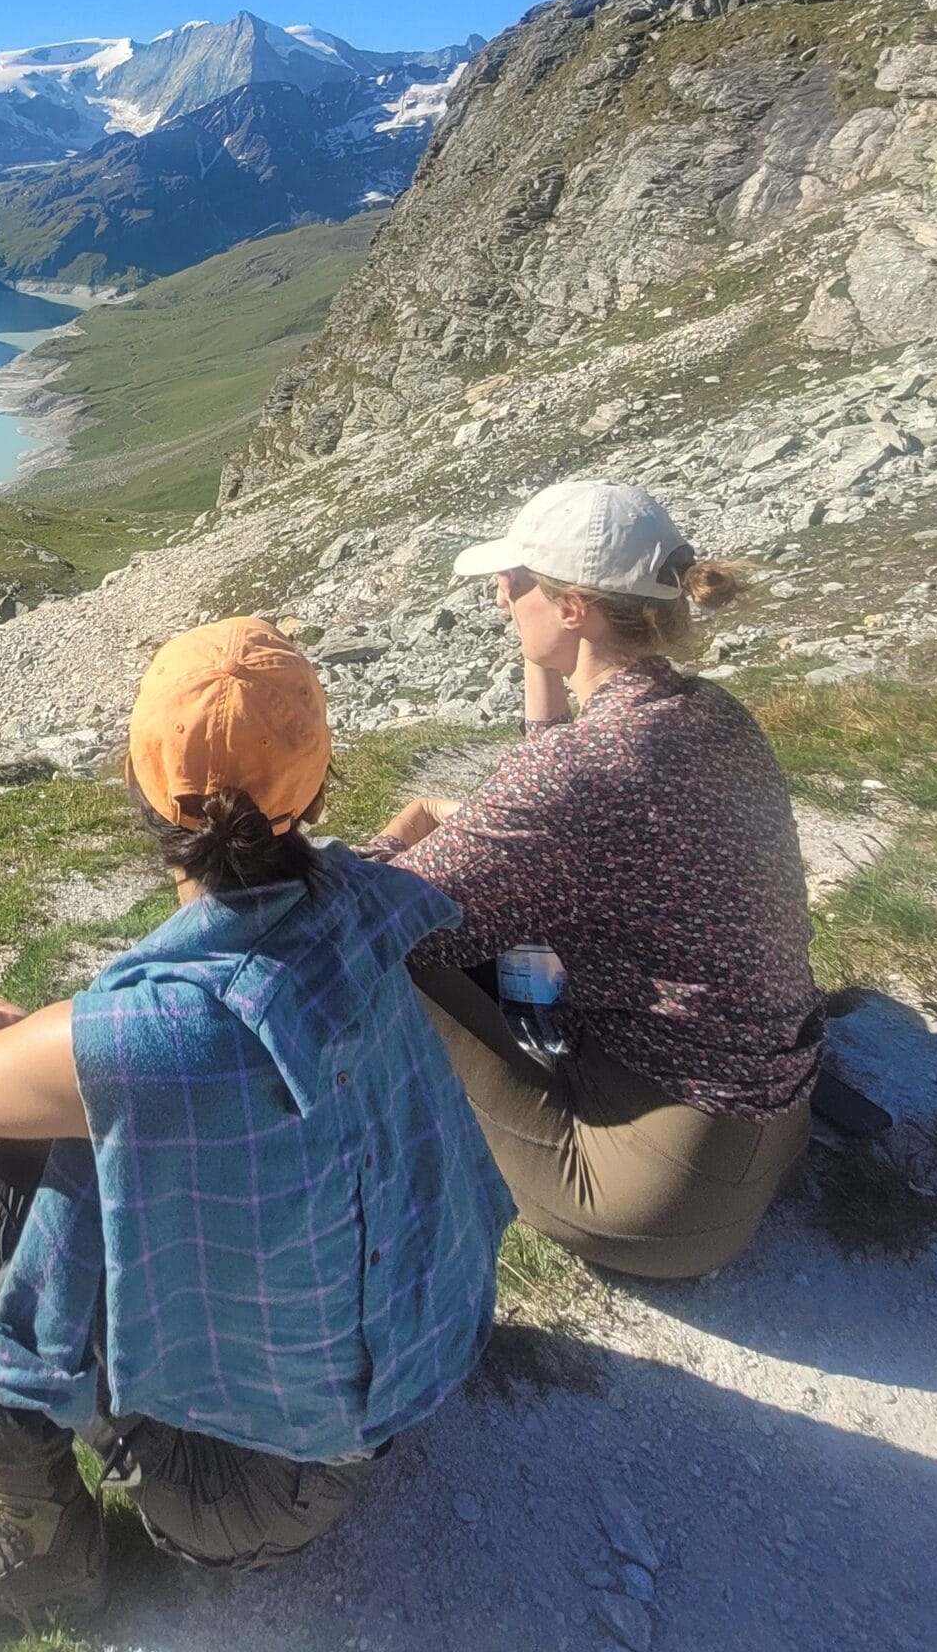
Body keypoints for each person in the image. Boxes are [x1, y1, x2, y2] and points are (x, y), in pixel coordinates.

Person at [0, 619, 513, 1638]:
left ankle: (18, 1530)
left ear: (138, 780)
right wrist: (49, 1045)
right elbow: (384, 854)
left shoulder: (177, 1023)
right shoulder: (357, 902)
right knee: (32, 1109)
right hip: (386, 1387)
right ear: (314, 785)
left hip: (243, 1489)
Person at [374, 476, 821, 1280]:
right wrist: (539, 673)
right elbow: (556, 779)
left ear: (571, 607)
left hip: (658, 1197)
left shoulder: (579, 771)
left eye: (513, 585)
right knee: (512, 917)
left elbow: (374, 912)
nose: (500, 601)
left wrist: (398, 832)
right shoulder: (711, 714)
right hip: (773, 1121)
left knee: (382, 956)